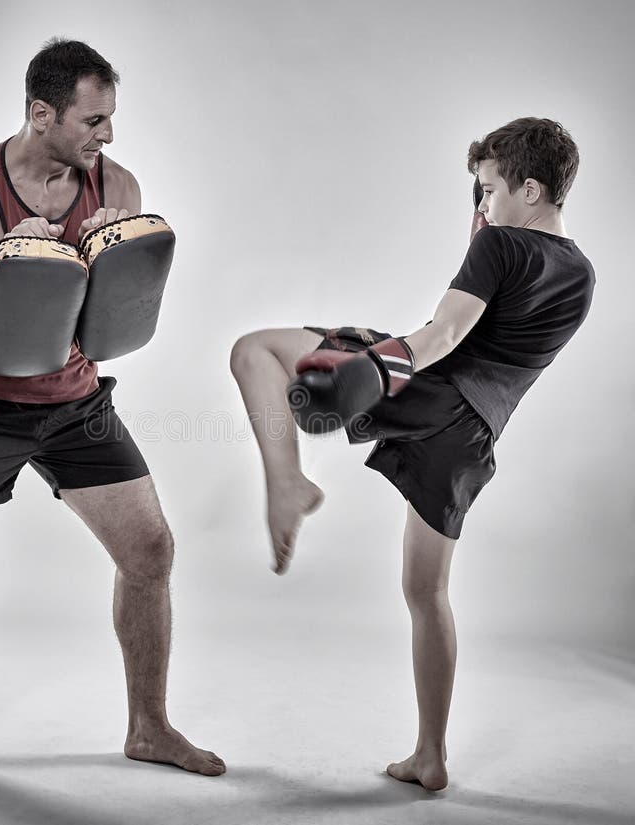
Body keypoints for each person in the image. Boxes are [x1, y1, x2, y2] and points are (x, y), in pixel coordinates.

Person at [0, 38, 224, 781]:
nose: (108, 135)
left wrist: (108, 261)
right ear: (41, 113)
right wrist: (24, 261)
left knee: (150, 551)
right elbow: (2, 345)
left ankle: (148, 726)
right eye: (93, 120)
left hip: (75, 403)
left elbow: (112, 335)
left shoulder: (114, 180)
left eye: (111, 118)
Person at [229, 117, 594, 791]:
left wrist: (374, 367)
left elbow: (448, 330)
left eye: (489, 190)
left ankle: (287, 482)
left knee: (254, 349)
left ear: (532, 189)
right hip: (472, 438)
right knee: (426, 592)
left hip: (426, 389)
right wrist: (482, 225)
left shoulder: (502, 246)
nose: (483, 204)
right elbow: (503, 333)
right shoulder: (581, 275)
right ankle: (431, 756)